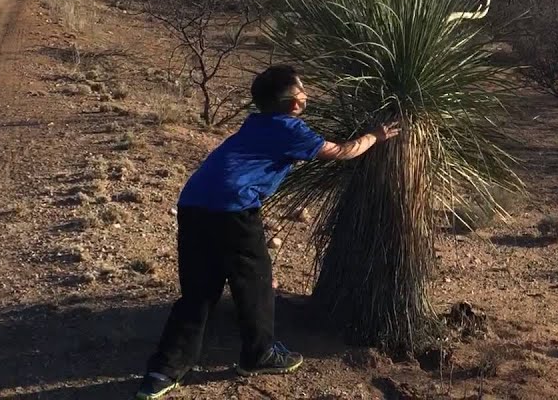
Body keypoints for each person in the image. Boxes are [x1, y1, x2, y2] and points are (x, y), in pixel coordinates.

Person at [135, 65, 400, 400]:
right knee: (256, 284)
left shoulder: (256, 122)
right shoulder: (290, 128)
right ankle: (258, 355)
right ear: (293, 104)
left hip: (194, 203)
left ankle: (162, 372)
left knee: (199, 291)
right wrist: (375, 135)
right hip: (233, 208)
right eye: (302, 90)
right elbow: (342, 152)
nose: (307, 94)